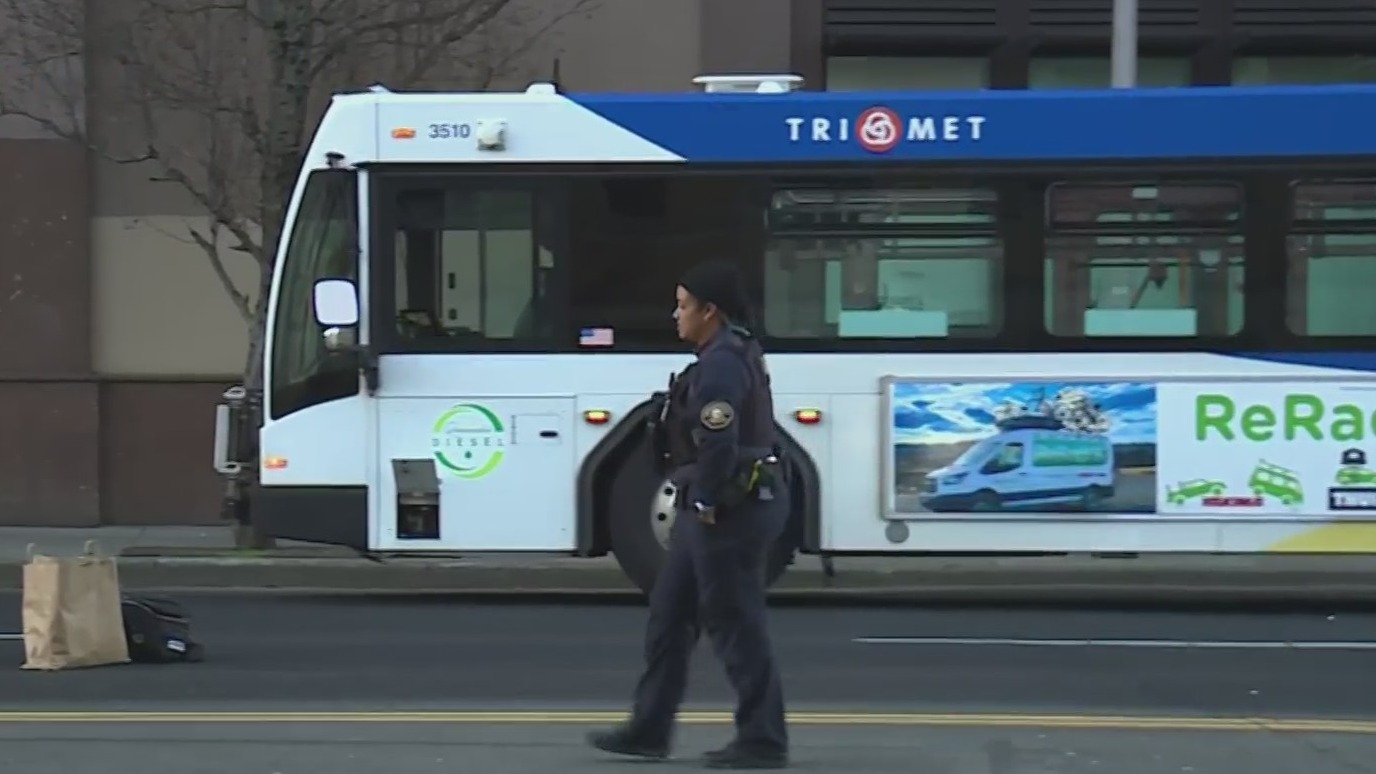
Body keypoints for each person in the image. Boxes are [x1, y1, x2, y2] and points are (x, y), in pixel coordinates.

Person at [588, 260, 791, 769]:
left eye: (683, 305)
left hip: (730, 509)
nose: (675, 314)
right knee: (669, 616)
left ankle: (763, 740)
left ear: (710, 311)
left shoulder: (722, 361)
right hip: (716, 505)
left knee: (735, 623)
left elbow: (718, 443)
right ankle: (649, 729)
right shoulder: (726, 352)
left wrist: (704, 503)